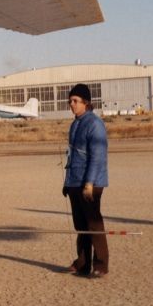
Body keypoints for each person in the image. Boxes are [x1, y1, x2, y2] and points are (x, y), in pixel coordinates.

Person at [62, 83, 109, 278]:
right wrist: (67, 182)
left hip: (91, 184)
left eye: (75, 101)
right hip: (74, 182)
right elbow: (72, 156)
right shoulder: (75, 124)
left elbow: (97, 156)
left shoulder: (95, 124)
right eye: (70, 101)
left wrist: (89, 183)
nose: (71, 104)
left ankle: (101, 264)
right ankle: (82, 263)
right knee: (80, 226)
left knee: (93, 225)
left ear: (86, 103)